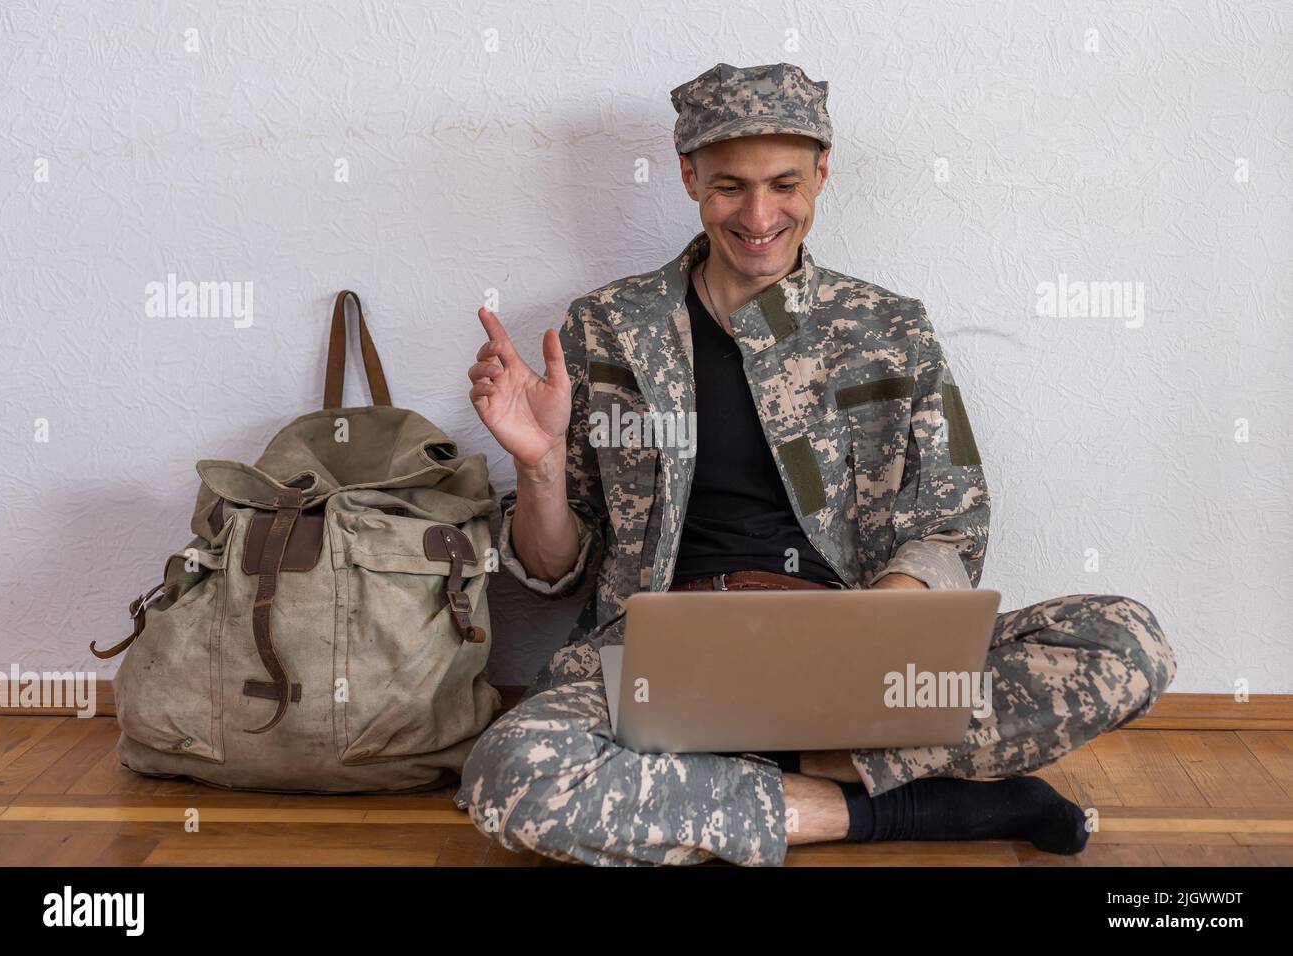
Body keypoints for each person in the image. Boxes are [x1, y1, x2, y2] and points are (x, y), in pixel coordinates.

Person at [455, 62, 1177, 866]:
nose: (759, 215)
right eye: (730, 186)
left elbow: (951, 515)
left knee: (1124, 641)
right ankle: (892, 807)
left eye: (784, 184)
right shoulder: (608, 327)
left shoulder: (888, 326)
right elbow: (555, 566)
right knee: (507, 775)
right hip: (659, 657)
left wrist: (878, 630)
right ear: (688, 174)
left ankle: (762, 770)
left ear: (823, 174)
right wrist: (541, 462)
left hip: (849, 649)